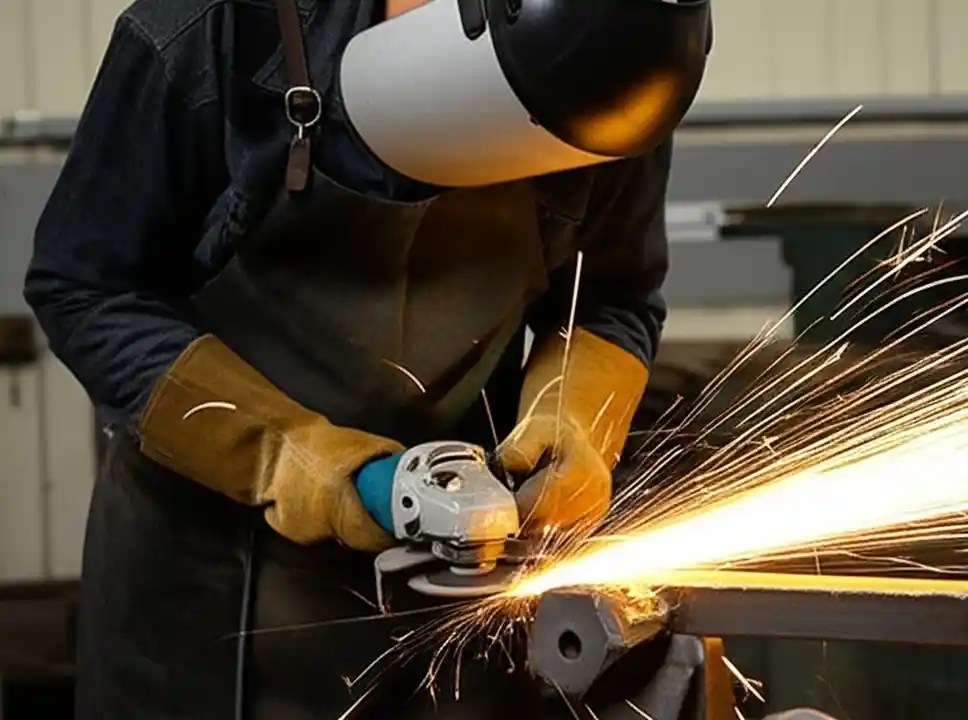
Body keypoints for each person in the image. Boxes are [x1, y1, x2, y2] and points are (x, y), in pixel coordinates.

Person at [23, 0, 710, 718]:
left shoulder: (615, 51)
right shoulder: (209, 32)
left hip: (460, 601)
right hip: (206, 615)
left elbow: (612, 296)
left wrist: (572, 423)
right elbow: (83, 287)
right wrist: (284, 455)